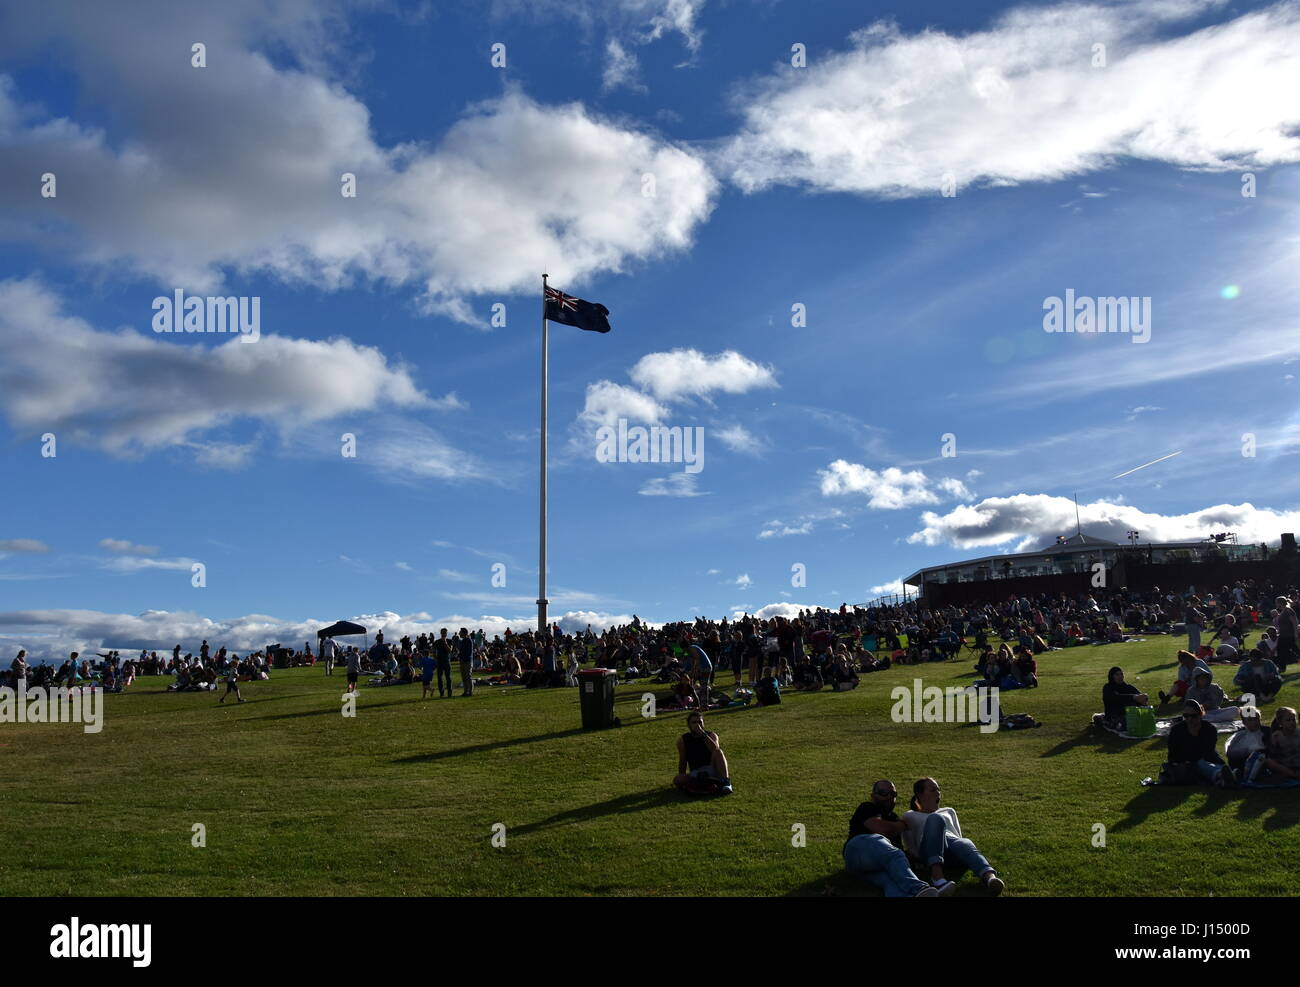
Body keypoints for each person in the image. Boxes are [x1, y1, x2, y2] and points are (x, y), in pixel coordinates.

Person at [901, 778, 1005, 896]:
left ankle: (990, 878)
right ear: (920, 795)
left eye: (938, 789)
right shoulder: (909, 816)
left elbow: (957, 836)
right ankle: (938, 878)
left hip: (953, 851)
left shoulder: (949, 811)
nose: (938, 793)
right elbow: (911, 847)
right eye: (932, 790)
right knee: (936, 818)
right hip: (929, 853)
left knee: (963, 842)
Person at [842, 780, 944, 897]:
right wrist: (902, 825)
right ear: (873, 795)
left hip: (863, 868)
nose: (889, 797)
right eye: (883, 793)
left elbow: (897, 852)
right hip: (857, 850)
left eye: (893, 794)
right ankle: (919, 888)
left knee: (891, 881)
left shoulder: (894, 818)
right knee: (893, 852)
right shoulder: (867, 807)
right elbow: (882, 829)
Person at [1164, 699, 1233, 787]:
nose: (1189, 719)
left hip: (1208, 759)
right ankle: (1222, 776)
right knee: (1199, 764)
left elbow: (1209, 752)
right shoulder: (1176, 731)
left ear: (1201, 715)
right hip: (1186, 764)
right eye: (1186, 716)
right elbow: (1173, 754)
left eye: (1193, 716)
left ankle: (1224, 779)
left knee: (1207, 764)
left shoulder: (1209, 729)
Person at [672, 711, 733, 794]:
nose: (697, 725)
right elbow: (683, 760)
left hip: (713, 768)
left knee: (719, 751)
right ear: (689, 725)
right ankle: (710, 783)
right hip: (696, 773)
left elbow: (715, 750)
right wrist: (682, 777)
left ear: (703, 723)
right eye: (694, 722)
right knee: (678, 779)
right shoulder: (683, 740)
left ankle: (725, 782)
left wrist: (702, 734)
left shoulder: (711, 735)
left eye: (700, 722)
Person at [1226, 706, 1270, 771]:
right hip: (1244, 761)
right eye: (1250, 720)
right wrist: (1248, 750)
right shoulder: (1240, 734)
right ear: (1244, 722)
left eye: (1256, 719)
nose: (1254, 722)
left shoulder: (1266, 731)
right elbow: (1230, 752)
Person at [434, 628, 454, 697]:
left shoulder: (449, 641)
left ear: (446, 633)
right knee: (440, 678)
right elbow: (433, 651)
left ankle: (449, 693)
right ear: (440, 633)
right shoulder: (437, 642)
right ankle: (441, 693)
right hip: (439, 661)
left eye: (445, 633)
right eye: (442, 632)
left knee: (448, 677)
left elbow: (450, 650)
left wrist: (445, 642)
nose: (443, 634)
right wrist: (435, 658)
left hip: (446, 661)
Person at [456, 628, 474, 696]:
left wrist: (463, 658)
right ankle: (465, 691)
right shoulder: (463, 640)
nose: (459, 633)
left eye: (460, 632)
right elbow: (461, 651)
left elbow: (468, 652)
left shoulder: (468, 640)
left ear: (463, 633)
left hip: (467, 661)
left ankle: (470, 691)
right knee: (463, 677)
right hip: (462, 661)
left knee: (468, 676)